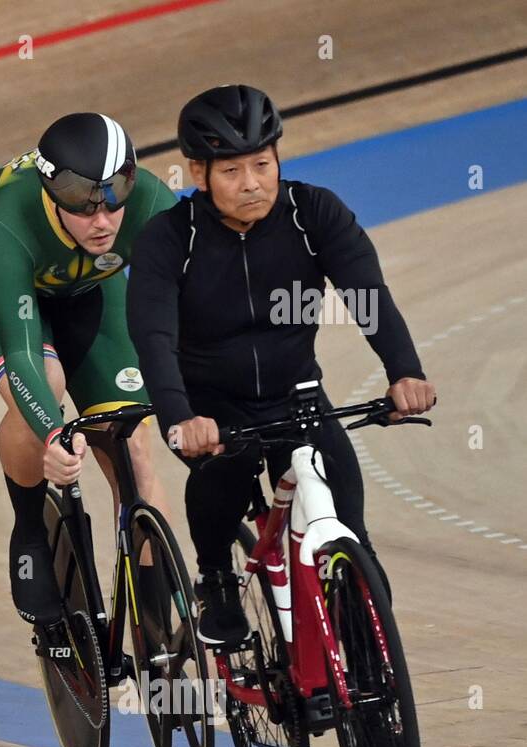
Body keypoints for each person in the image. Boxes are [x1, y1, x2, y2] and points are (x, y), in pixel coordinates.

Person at [127, 84, 437, 646]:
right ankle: (217, 576)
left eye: (262, 165)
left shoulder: (313, 213)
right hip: (210, 407)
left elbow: (368, 296)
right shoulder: (169, 240)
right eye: (231, 172)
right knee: (224, 470)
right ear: (197, 174)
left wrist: (404, 372)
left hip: (296, 394)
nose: (251, 183)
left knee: (352, 530)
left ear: (278, 159)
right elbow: (153, 338)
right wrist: (180, 416)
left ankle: (368, 674)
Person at [0, 112, 175, 653]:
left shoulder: (151, 202)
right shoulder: (8, 217)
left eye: (113, 196)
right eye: (82, 205)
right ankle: (30, 529)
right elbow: (22, 354)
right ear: (52, 195)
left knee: (135, 446)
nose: (102, 219)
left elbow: (196, 305)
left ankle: (155, 619)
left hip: (88, 293)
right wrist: (52, 433)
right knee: (43, 385)